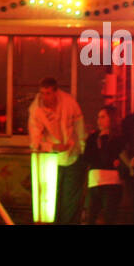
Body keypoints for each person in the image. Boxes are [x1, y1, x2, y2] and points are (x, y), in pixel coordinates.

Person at [28, 77, 86, 224]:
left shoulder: (69, 102)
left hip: (72, 156)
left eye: (48, 93)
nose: (44, 97)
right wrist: (52, 147)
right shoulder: (36, 110)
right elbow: (34, 142)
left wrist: (82, 149)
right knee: (50, 199)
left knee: (71, 201)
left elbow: (80, 126)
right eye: (42, 93)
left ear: (56, 92)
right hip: (50, 160)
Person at [83, 106, 125, 224]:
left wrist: (104, 139)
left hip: (111, 182)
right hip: (95, 181)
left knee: (109, 217)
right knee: (90, 216)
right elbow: (88, 157)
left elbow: (108, 157)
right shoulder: (93, 137)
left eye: (103, 117)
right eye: (98, 117)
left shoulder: (118, 138)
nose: (99, 120)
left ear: (111, 118)